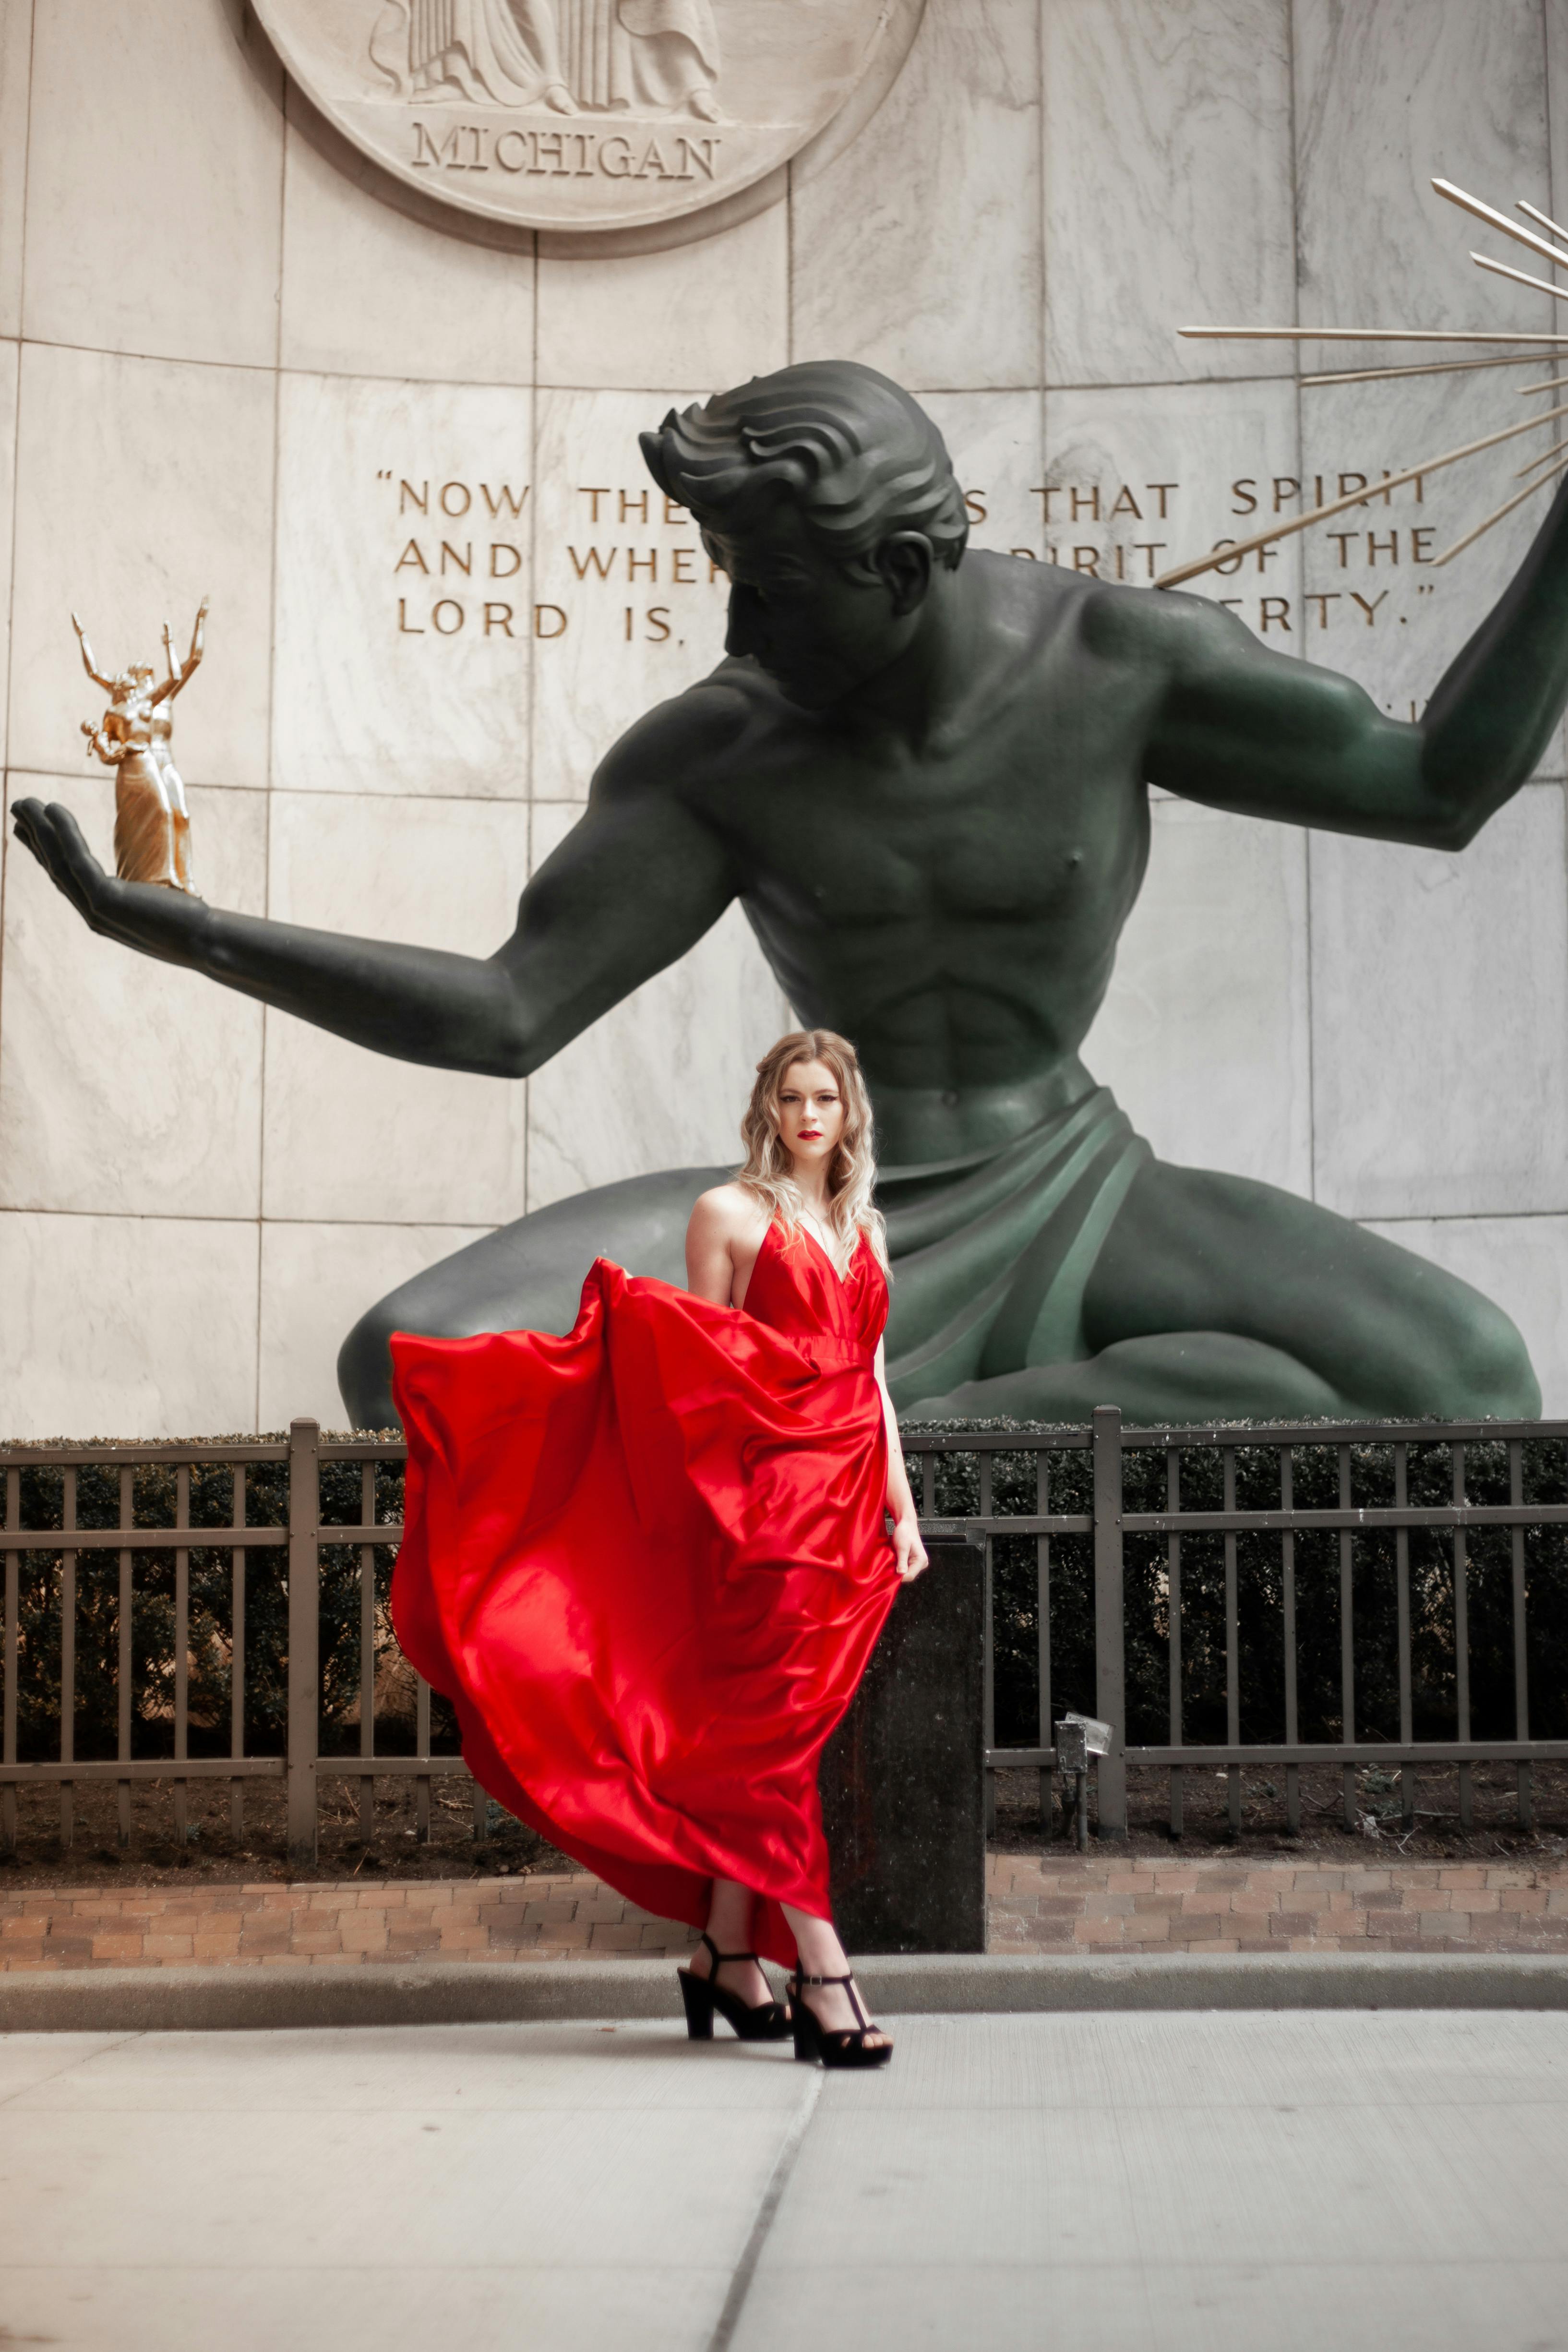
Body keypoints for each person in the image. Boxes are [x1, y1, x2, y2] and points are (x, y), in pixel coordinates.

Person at [14, 359, 1564, 1427]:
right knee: (415, 1355)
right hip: (822, 1214)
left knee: (1469, 1375)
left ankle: (901, 1432)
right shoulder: (720, 749)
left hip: (1074, 1186)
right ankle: (903, 1423)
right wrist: (196, 933)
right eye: (727, 574)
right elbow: (507, 1014)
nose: (739, 626)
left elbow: (1436, 788)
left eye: (773, 585)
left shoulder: (1118, 667)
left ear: (902, 567)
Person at [391, 1028, 929, 2067]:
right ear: (767, 1109)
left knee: (766, 1739)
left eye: (824, 1098)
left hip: (849, 1508)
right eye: (790, 1097)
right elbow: (701, 1368)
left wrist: (901, 1512)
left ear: (849, 1112)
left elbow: (870, 1378)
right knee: (771, 1743)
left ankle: (725, 1956)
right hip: (768, 1513)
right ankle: (824, 1973)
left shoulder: (863, 1227)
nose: (807, 1115)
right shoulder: (727, 1214)